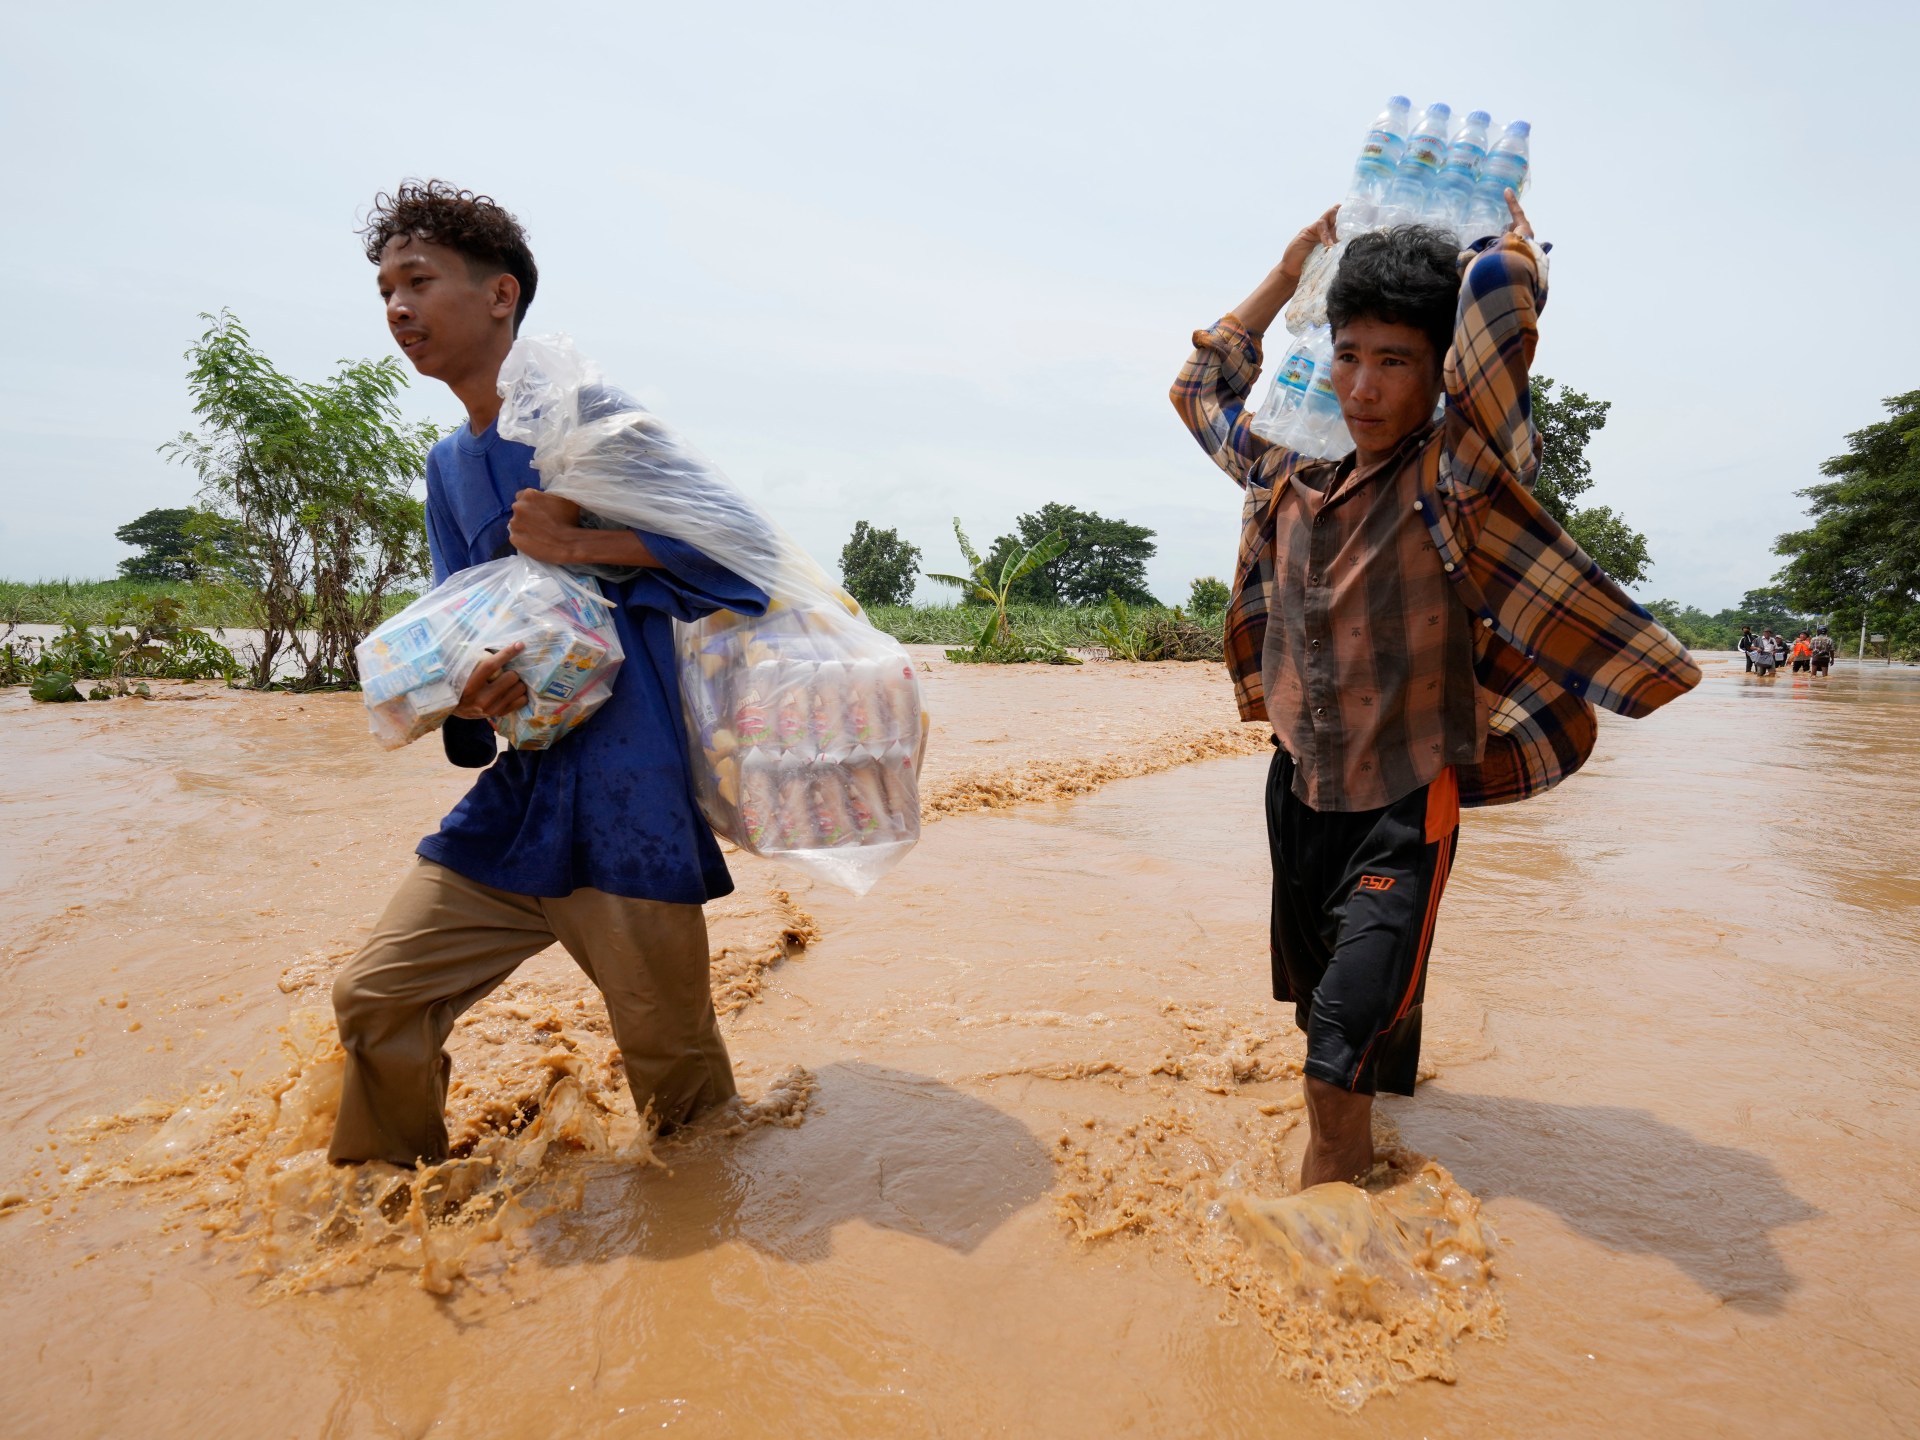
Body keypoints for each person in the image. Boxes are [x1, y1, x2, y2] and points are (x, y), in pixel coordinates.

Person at [1170, 191, 1697, 1190]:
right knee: (1331, 1000)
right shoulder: (1283, 470)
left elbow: (1497, 303)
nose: (1363, 385)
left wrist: (1508, 244)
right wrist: (1291, 274)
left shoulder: (1455, 472)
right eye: (1348, 353)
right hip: (1299, 793)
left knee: (1334, 1043)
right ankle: (1388, 1085)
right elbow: (1200, 385)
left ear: (1437, 372)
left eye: (1395, 360)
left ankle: (1324, 1242)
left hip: (1410, 802)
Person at [327, 181, 769, 1168]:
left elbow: (751, 558)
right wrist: (469, 696)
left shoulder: (590, 418)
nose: (398, 308)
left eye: (419, 281)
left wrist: (589, 540)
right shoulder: (447, 467)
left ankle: (707, 1253)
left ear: (500, 295)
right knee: (376, 996)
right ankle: (389, 1212)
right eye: (385, 289)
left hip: (631, 800)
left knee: (680, 1086)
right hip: (518, 804)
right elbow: (462, 629)